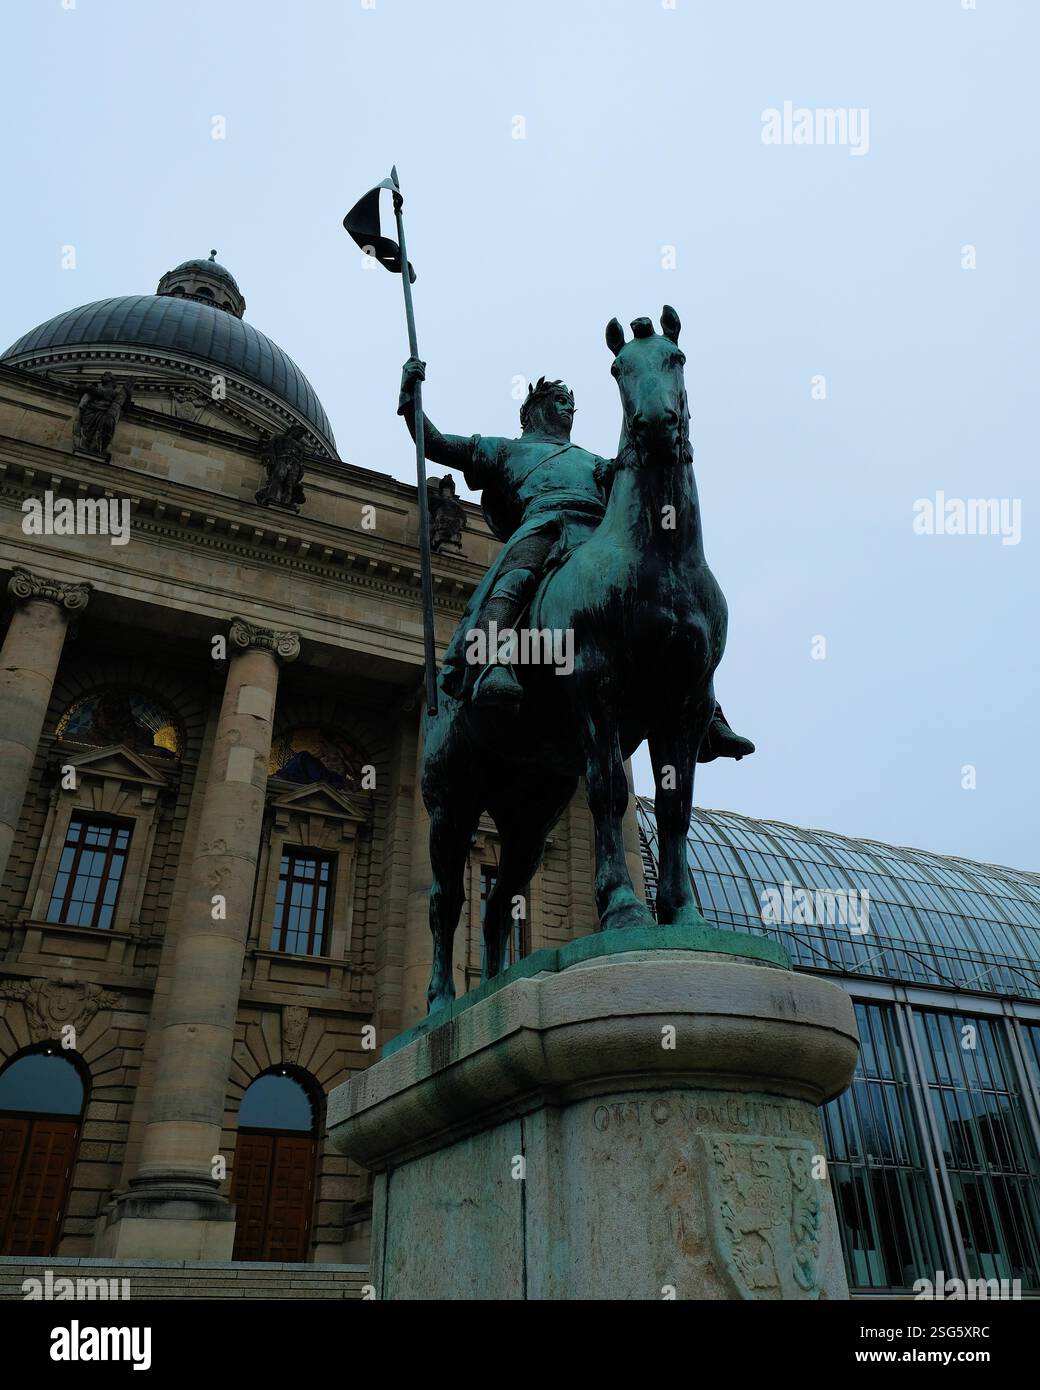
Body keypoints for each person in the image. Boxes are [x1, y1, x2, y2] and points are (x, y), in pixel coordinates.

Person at [398, 357, 753, 761]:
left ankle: (705, 712)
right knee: (515, 578)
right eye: (560, 400)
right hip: (545, 525)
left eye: (571, 402)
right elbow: (438, 443)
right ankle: (494, 662)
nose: (568, 407)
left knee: (670, 600)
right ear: (535, 410)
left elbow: (633, 475)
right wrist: (412, 399)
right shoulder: (507, 450)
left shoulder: (590, 460)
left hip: (599, 539)